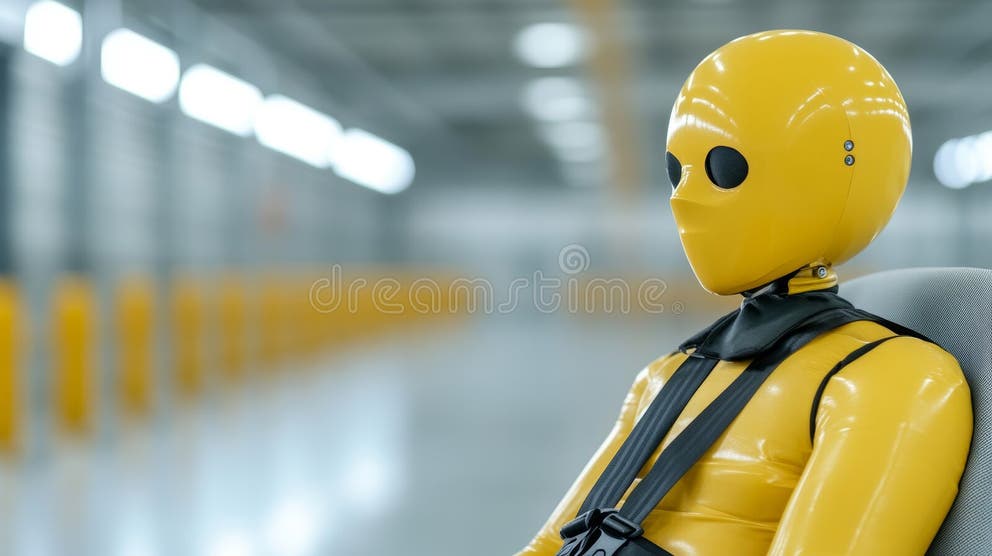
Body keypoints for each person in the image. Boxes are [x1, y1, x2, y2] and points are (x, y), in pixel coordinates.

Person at [516, 30, 972, 556]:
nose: (682, 200)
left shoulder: (887, 380)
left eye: (723, 168)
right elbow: (552, 543)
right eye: (676, 173)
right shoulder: (665, 375)